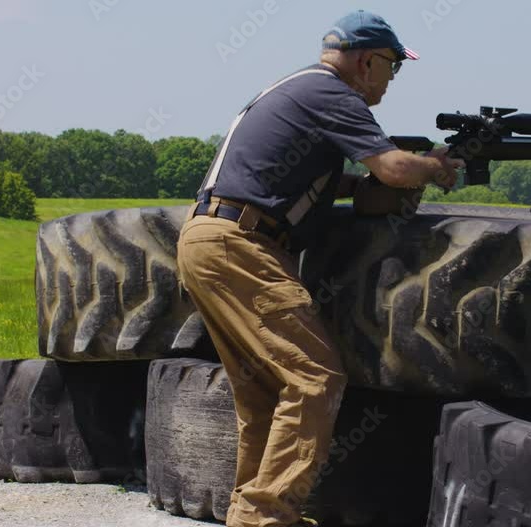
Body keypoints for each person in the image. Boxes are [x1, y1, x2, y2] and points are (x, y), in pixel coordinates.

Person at [175, 10, 463, 527]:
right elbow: (392, 168)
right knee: (315, 377)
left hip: (212, 239)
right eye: (392, 67)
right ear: (366, 60)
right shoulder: (333, 94)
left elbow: (351, 191)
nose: (391, 79)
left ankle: (252, 513)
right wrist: (435, 167)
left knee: (265, 392)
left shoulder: (300, 90)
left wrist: (394, 185)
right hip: (240, 244)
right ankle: (268, 517)